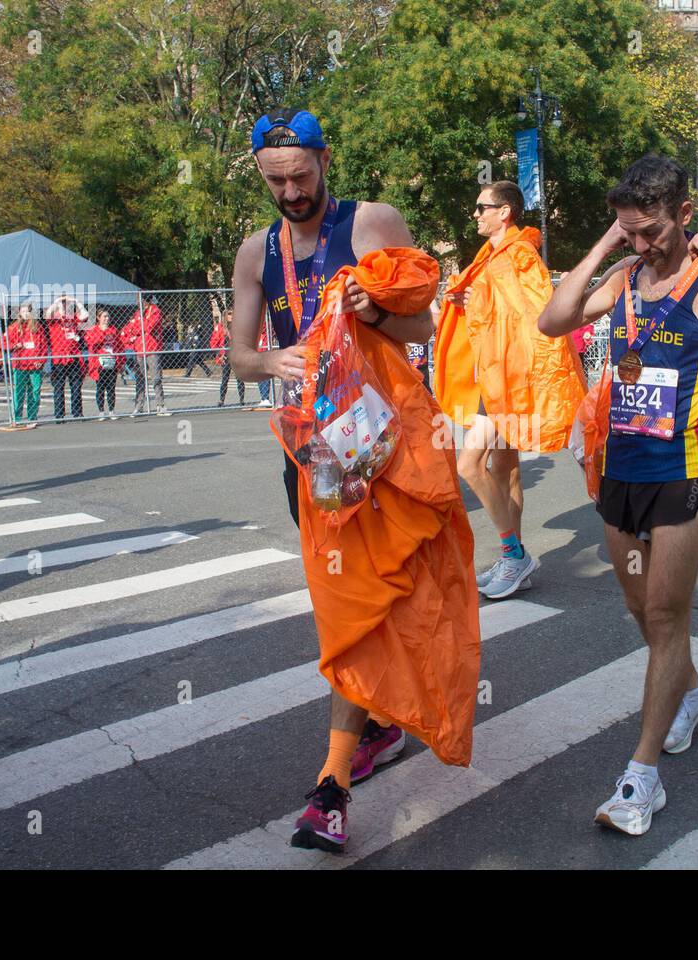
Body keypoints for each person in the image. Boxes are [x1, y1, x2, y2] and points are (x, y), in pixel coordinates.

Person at [229, 109, 478, 853]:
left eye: (301, 175)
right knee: (347, 606)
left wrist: (377, 311)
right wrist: (273, 363)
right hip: (314, 457)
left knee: (382, 597)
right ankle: (377, 720)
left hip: (387, 447)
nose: (290, 190)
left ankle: (330, 790)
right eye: (275, 179)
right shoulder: (254, 252)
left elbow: (422, 329)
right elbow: (241, 354)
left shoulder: (372, 221)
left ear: (324, 161)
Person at [537, 155, 698, 836]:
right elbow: (552, 322)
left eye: (652, 231)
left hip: (683, 473)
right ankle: (692, 690)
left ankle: (640, 780)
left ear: (684, 215)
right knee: (643, 611)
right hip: (620, 472)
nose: (643, 244)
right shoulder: (624, 279)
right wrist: (606, 246)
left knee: (667, 618)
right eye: (630, 231)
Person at [434, 180, 586, 599]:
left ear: (506, 212)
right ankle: (512, 560)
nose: (476, 214)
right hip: (494, 372)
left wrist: (474, 299)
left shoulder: (520, 254)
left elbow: (533, 312)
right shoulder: (490, 255)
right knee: (505, 468)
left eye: (483, 207)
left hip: (510, 375)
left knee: (469, 465)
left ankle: (513, 553)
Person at [1, 304, 48, 426]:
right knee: (19, 392)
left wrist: (41, 361)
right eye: (23, 311)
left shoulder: (38, 328)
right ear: (19, 313)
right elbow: (1, 343)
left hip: (35, 367)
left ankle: (32, 417)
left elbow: (44, 346)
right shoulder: (14, 327)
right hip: (20, 365)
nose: (26, 314)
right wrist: (13, 346)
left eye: (28, 311)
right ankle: (16, 418)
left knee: (35, 391)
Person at [121, 297, 169, 416]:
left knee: (156, 378)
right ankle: (139, 406)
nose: (138, 302)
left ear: (146, 301)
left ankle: (160, 405)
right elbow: (130, 329)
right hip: (139, 349)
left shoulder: (155, 311)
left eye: (140, 300)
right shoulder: (137, 313)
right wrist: (138, 330)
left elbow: (149, 327)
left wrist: (139, 328)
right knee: (140, 379)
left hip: (152, 349)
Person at [47, 296, 87, 422]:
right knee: (59, 386)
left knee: (76, 386)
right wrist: (57, 302)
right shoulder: (55, 319)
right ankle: (59, 415)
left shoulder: (73, 318)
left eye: (67, 304)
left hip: (73, 356)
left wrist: (76, 302)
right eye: (63, 304)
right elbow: (48, 314)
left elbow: (85, 315)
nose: (65, 306)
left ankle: (77, 413)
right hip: (59, 358)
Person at [84, 307, 120, 420]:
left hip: (111, 362)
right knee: (100, 387)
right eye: (104, 316)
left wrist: (120, 361)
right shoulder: (93, 330)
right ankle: (101, 411)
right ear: (98, 318)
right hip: (100, 363)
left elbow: (119, 345)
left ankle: (111, 410)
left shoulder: (113, 330)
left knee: (111, 388)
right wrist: (103, 333)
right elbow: (91, 342)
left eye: (108, 316)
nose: (107, 319)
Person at [210, 308, 246, 407]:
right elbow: (213, 343)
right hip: (225, 357)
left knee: (240, 379)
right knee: (224, 380)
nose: (232, 316)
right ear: (225, 316)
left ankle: (242, 400)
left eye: (233, 314)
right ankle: (221, 400)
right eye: (230, 314)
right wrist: (219, 355)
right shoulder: (220, 328)